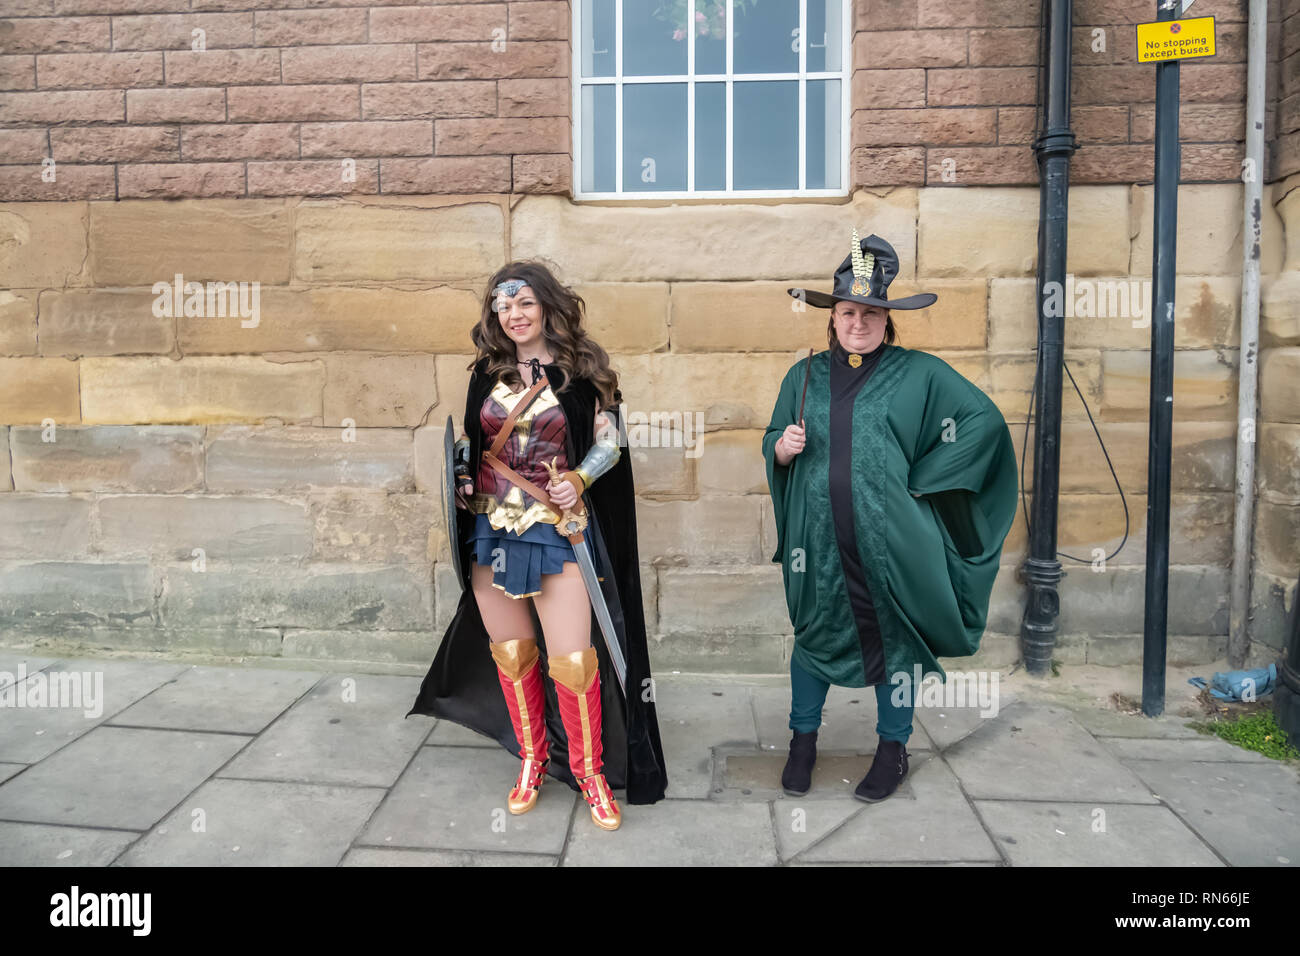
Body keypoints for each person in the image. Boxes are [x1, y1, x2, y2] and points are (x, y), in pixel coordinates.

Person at [407, 261, 668, 831]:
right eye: (503, 306)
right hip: (491, 529)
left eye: (524, 302)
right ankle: (531, 760)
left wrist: (578, 479)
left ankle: (590, 772)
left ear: (548, 305)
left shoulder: (584, 371)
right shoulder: (486, 372)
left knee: (573, 661)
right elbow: (473, 447)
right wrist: (462, 476)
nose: (513, 315)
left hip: (558, 529)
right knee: (512, 653)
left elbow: (611, 441)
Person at [763, 229, 1017, 802]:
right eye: (849, 312)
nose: (859, 323)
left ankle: (892, 749)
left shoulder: (920, 374)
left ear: (887, 319)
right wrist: (782, 448)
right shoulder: (803, 378)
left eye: (871, 314)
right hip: (818, 540)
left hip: (892, 540)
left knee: (895, 640)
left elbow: (984, 423)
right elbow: (773, 437)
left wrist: (923, 481)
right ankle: (802, 742)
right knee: (815, 633)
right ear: (832, 318)